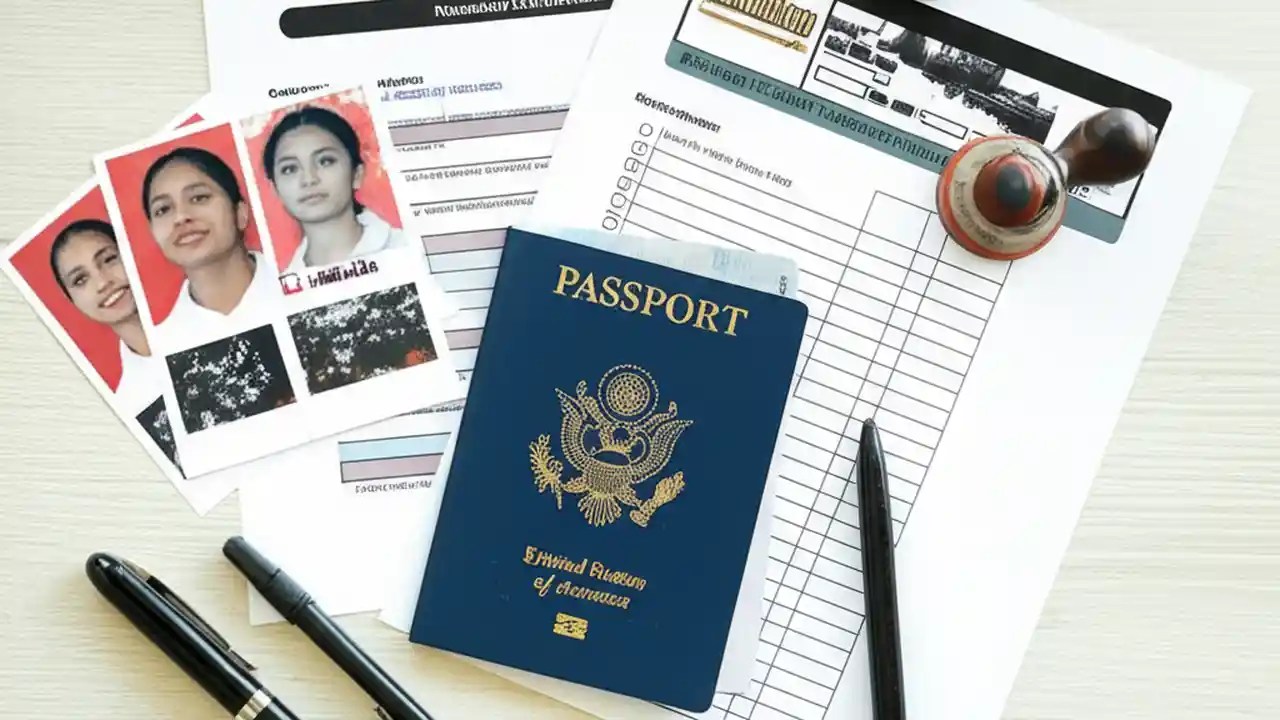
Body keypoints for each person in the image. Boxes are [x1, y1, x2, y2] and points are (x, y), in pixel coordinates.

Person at [141, 146, 278, 332]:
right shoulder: (164, 343)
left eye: (199, 198)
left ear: (240, 213)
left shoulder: (304, 286)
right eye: (163, 209)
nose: (180, 217)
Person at [261, 105, 405, 272]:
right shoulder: (287, 282)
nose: (309, 179)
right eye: (290, 169)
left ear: (357, 174)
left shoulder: (405, 248)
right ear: (275, 189)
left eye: (325, 161)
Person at [49, 218, 162, 404]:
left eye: (109, 259)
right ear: (72, 300)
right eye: (80, 280)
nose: (103, 283)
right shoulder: (132, 404)